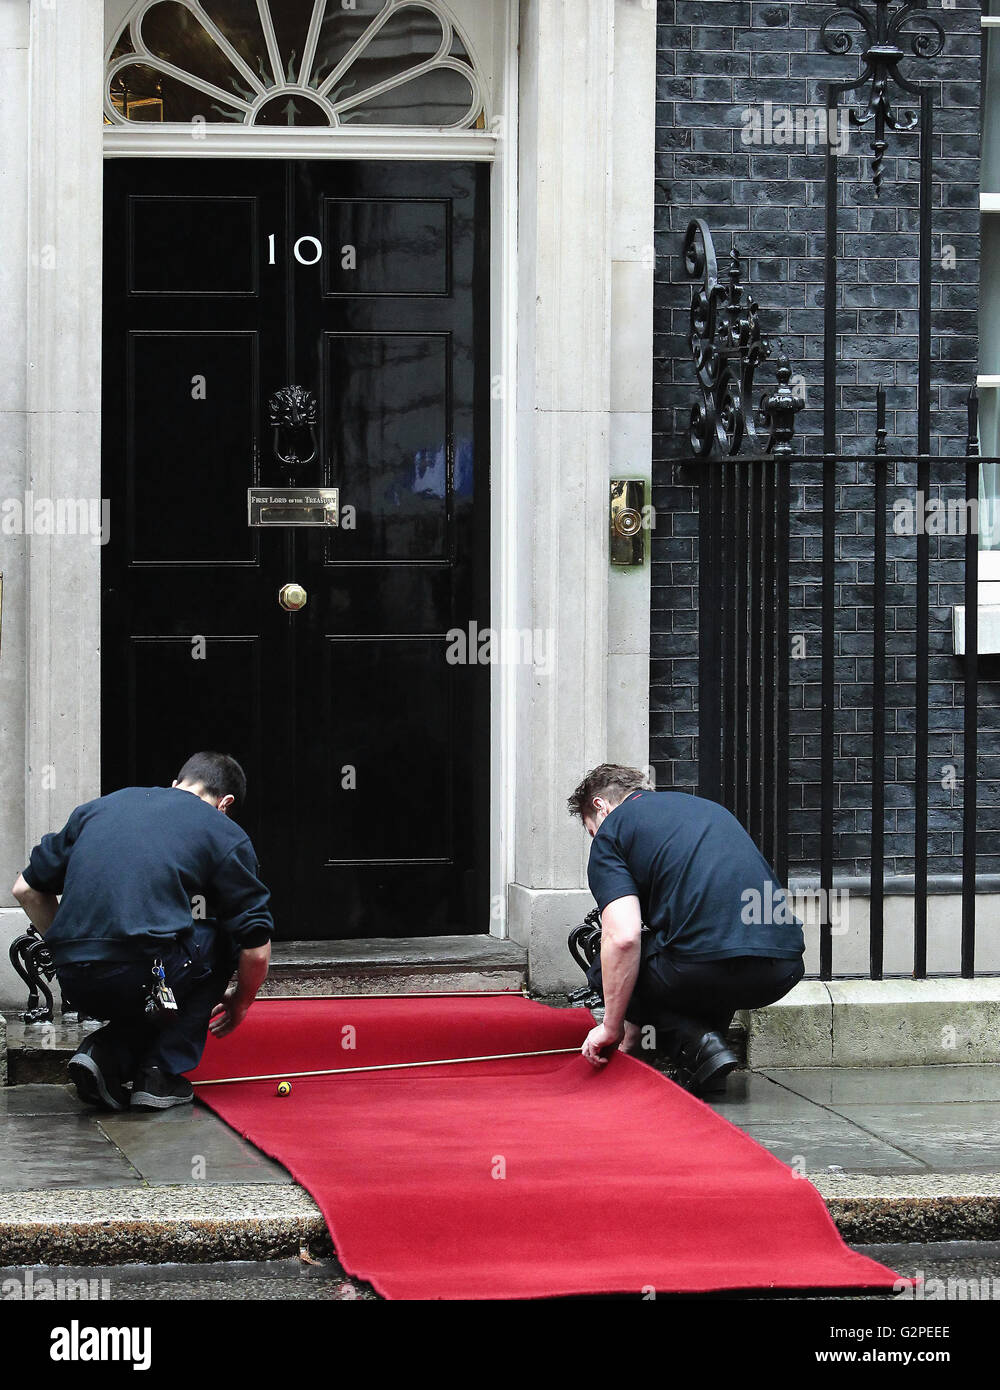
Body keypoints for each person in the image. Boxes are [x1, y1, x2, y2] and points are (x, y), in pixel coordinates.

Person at [11, 752, 273, 1113]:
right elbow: (256, 947)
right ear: (224, 804)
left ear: (176, 782)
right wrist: (240, 1002)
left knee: (154, 972)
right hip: (141, 974)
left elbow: (25, 889)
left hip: (73, 980)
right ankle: (158, 1074)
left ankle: (104, 1055)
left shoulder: (100, 808)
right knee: (222, 941)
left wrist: (65, 950)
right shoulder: (221, 829)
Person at [568, 764, 805, 1095]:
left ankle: (702, 1046)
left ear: (600, 806)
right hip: (782, 968)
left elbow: (622, 939)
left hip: (702, 967)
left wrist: (611, 1028)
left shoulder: (612, 833)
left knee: (601, 962)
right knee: (700, 951)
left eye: (590, 830)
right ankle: (709, 1055)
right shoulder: (706, 809)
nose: (595, 837)